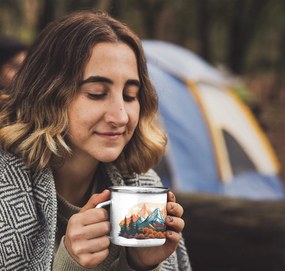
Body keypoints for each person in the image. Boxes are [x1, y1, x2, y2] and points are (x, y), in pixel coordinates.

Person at [0, 10, 191, 271]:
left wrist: (141, 265)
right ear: (47, 95)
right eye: (96, 93)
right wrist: (70, 263)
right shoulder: (5, 193)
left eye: (130, 95)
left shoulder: (143, 184)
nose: (120, 116)